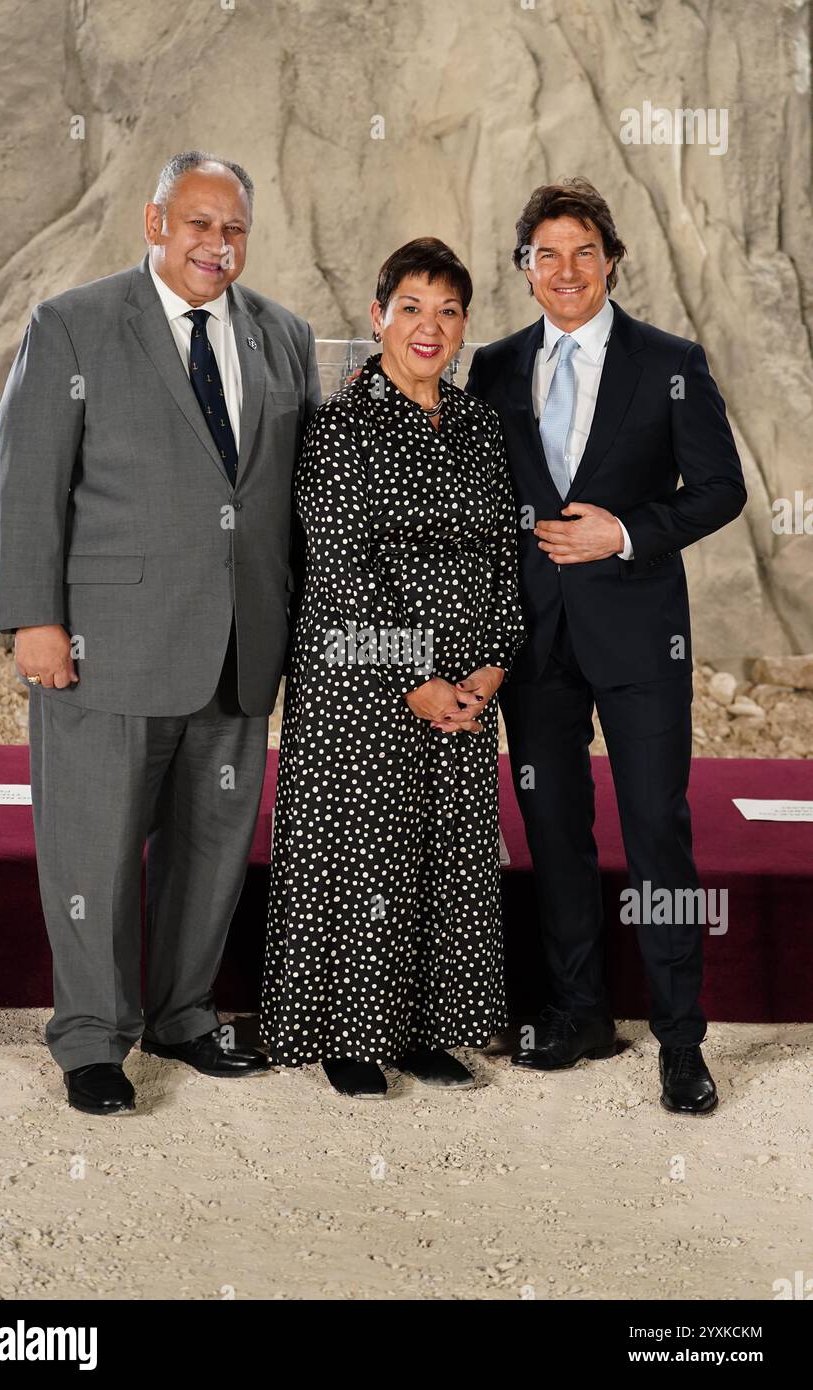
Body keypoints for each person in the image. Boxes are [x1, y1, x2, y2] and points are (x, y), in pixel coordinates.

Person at [0, 150, 322, 1116]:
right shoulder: (73, 324)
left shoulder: (282, 336)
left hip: (239, 645)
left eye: (233, 230)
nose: (217, 245)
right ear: (155, 223)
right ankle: (92, 1038)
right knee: (92, 850)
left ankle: (183, 1016)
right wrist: (35, 619)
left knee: (211, 846)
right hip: (106, 642)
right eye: (198, 224)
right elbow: (29, 480)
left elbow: (286, 495)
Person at [465, 177, 747, 1115]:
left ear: (611, 259)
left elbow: (718, 490)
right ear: (525, 269)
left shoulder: (669, 360)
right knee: (554, 831)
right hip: (534, 643)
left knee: (656, 830)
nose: (566, 269)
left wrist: (622, 531)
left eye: (583, 250)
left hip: (638, 642)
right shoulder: (496, 367)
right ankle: (579, 1011)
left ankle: (679, 1038)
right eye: (546, 253)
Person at [260, 238, 527, 1098]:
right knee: (360, 851)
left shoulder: (481, 426)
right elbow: (342, 566)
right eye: (411, 307)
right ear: (378, 317)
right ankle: (346, 1032)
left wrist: (490, 666)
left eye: (447, 310)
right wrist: (414, 679)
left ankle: (424, 1031)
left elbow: (502, 559)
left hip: (462, 685)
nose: (429, 326)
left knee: (444, 853)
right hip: (360, 678)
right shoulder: (339, 426)